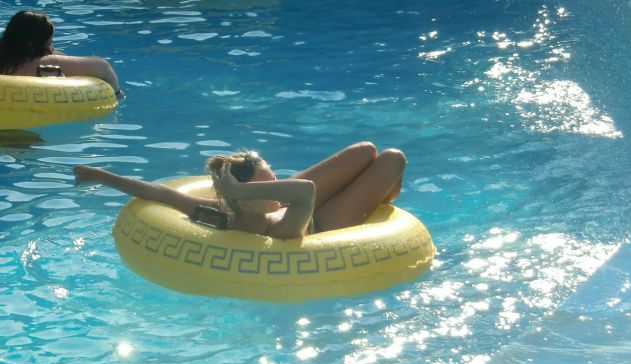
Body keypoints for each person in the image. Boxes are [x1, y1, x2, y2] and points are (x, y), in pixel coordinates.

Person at [74, 142, 406, 239]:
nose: (275, 188)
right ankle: (383, 195)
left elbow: (159, 192)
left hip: (288, 203)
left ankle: (376, 192)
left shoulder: (242, 205)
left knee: (365, 150)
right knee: (392, 158)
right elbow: (305, 192)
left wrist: (99, 174)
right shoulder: (276, 231)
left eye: (273, 180)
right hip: (323, 222)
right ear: (242, 199)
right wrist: (239, 192)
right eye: (268, 185)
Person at [0, 10, 123, 97]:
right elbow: (103, 67)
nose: (51, 49)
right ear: (32, 45)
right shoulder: (44, 63)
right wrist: (117, 94)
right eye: (49, 43)